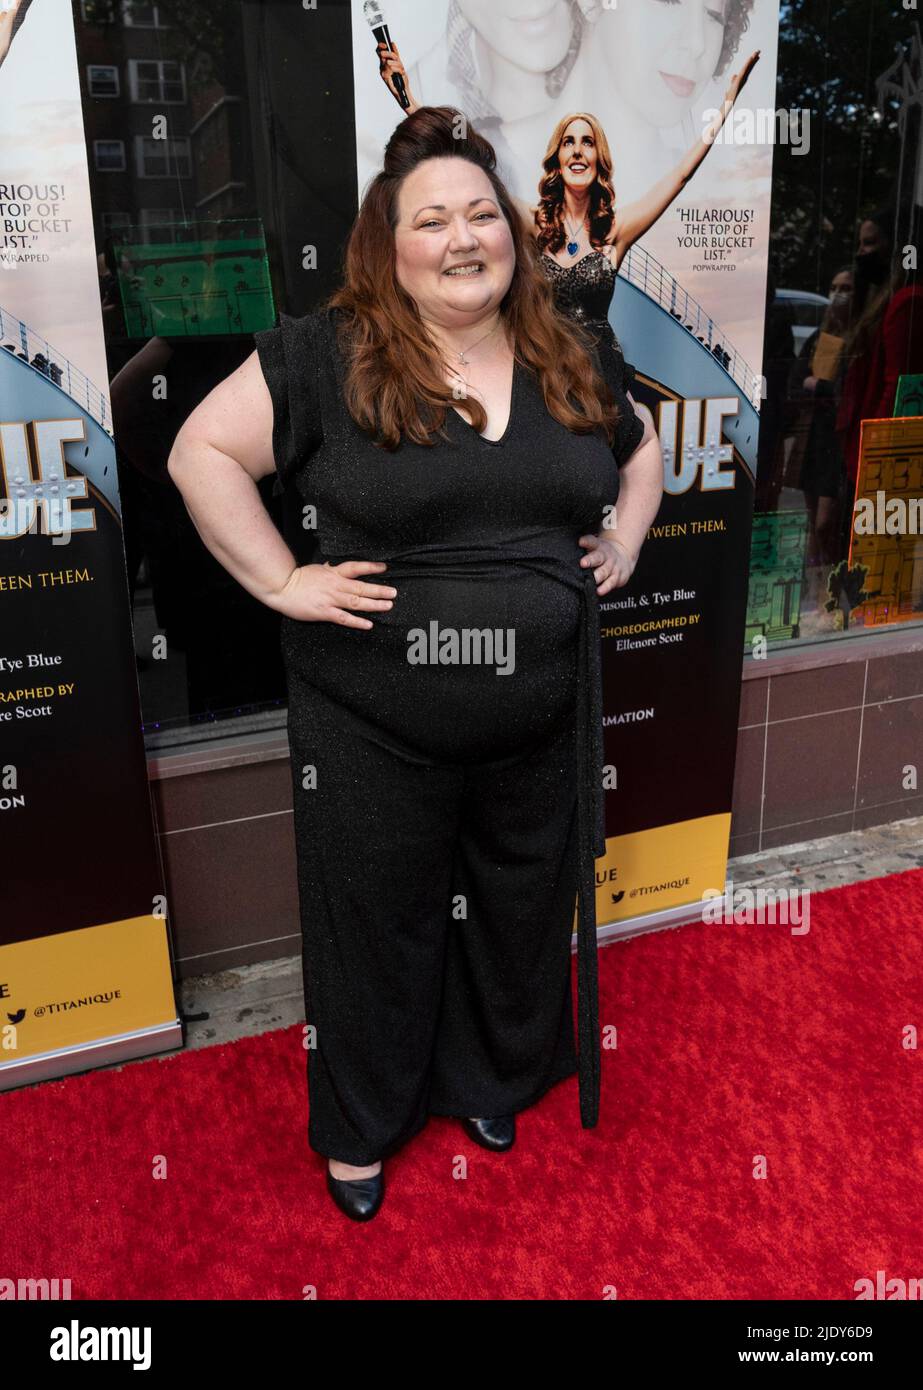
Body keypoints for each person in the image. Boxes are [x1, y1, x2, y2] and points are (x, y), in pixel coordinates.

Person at [167, 106, 663, 1222]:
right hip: (371, 724)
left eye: (481, 213)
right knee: (377, 922)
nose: (461, 236)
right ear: (386, 247)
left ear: (514, 234)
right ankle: (362, 1124)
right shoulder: (325, 353)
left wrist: (626, 538)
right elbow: (197, 450)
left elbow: (640, 455)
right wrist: (282, 583)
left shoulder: (569, 349)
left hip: (538, 718)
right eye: (429, 219)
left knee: (518, 909)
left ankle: (492, 1078)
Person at [378, 43, 759, 351]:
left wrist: (725, 105)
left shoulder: (617, 230)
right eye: (568, 143)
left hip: (602, 375)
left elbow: (680, 176)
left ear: (598, 159)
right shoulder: (534, 222)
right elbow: (469, 170)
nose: (578, 150)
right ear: (557, 161)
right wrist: (410, 103)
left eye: (588, 142)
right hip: (545, 372)